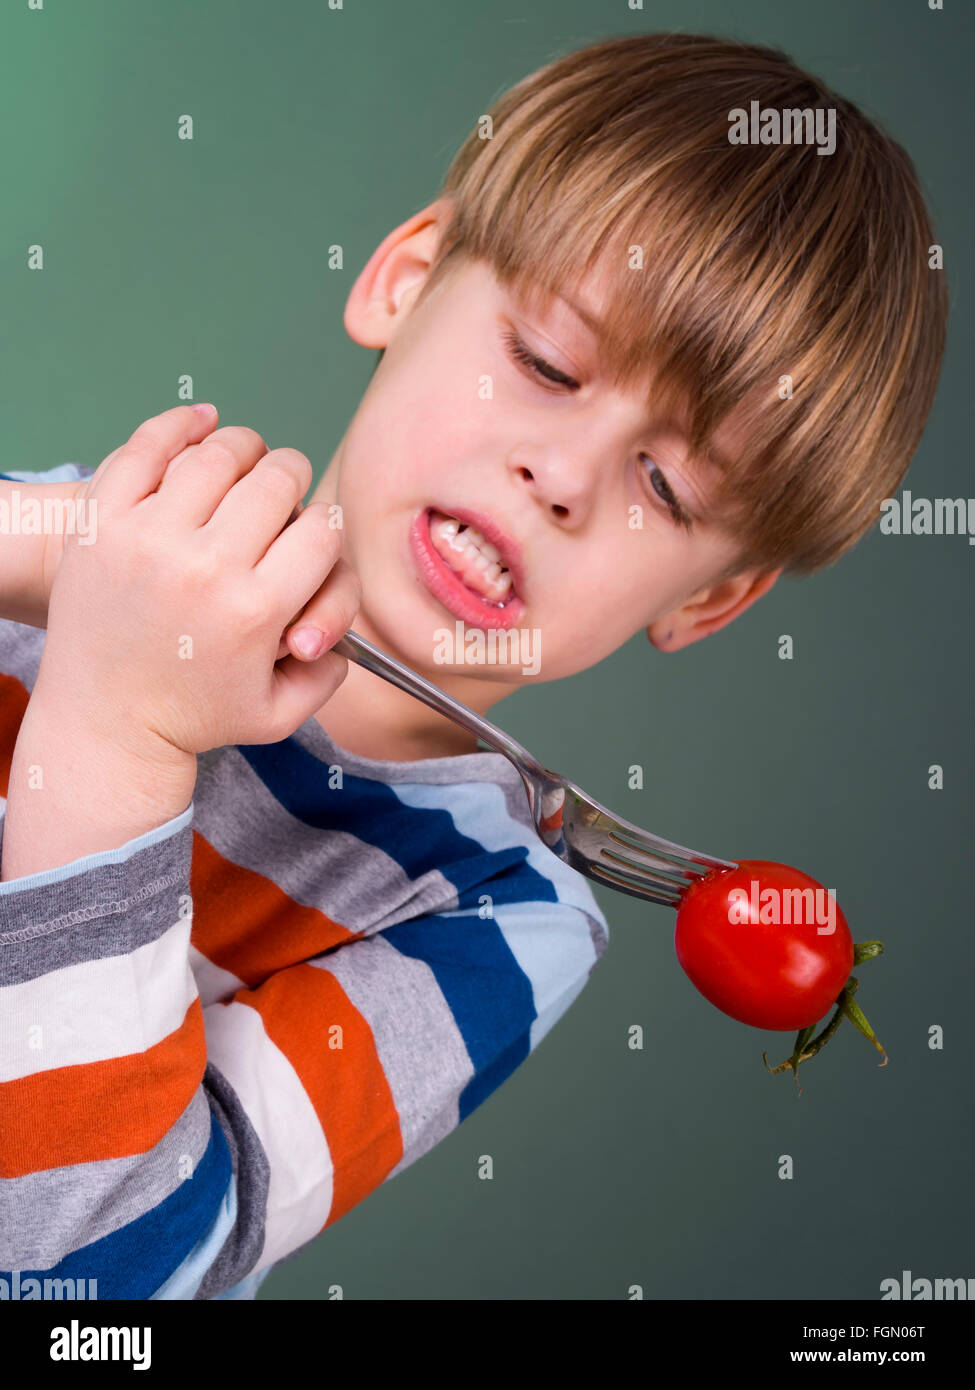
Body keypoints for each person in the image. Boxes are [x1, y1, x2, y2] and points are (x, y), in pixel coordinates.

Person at [0, 32, 947, 1300]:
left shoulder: (500, 918)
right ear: (405, 277)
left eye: (663, 488)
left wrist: (121, 725)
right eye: (547, 364)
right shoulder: (93, 551)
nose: (560, 477)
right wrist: (65, 556)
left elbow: (90, 1291)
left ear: (714, 597)